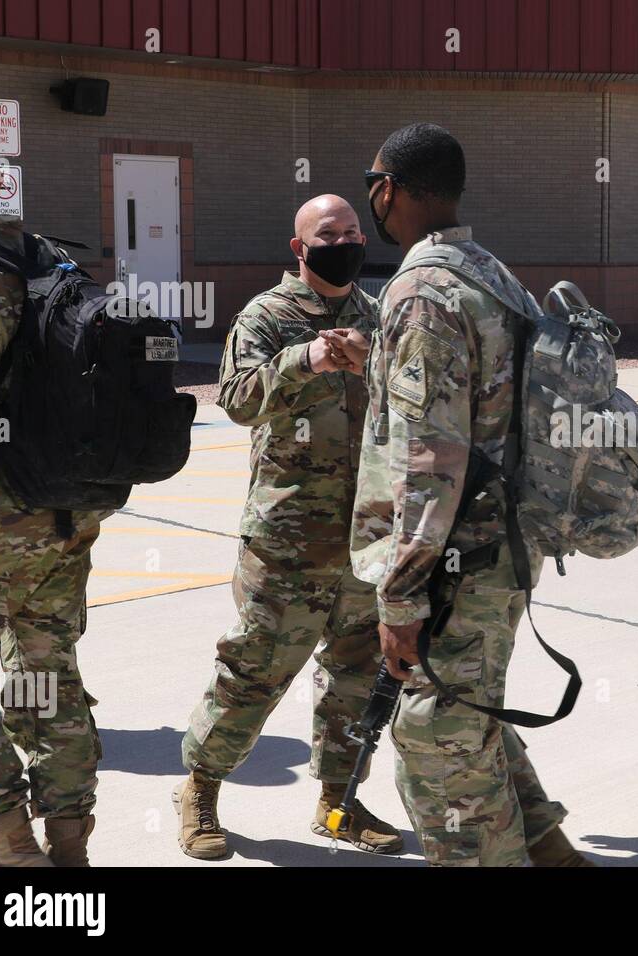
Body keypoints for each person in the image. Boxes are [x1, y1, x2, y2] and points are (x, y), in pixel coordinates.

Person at [352, 122, 586, 866]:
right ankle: (546, 844)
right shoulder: (493, 274)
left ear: (390, 188)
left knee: (434, 736)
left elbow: (430, 460)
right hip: (505, 546)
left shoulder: (423, 291)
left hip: (457, 557)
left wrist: (400, 599)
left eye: (373, 186)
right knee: (466, 706)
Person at [175, 195, 403, 859]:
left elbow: (417, 405)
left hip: (366, 537)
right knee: (254, 670)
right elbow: (238, 399)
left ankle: (338, 802)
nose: (345, 241)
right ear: (300, 249)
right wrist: (309, 361)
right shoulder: (267, 316)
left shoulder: (377, 316)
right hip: (288, 538)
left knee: (357, 678)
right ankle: (199, 788)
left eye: (353, 231)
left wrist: (376, 366)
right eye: (328, 234)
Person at [0, 117, 103, 866]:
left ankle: (14, 846)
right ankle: (71, 843)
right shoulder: (52, 261)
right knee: (46, 674)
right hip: (66, 518)